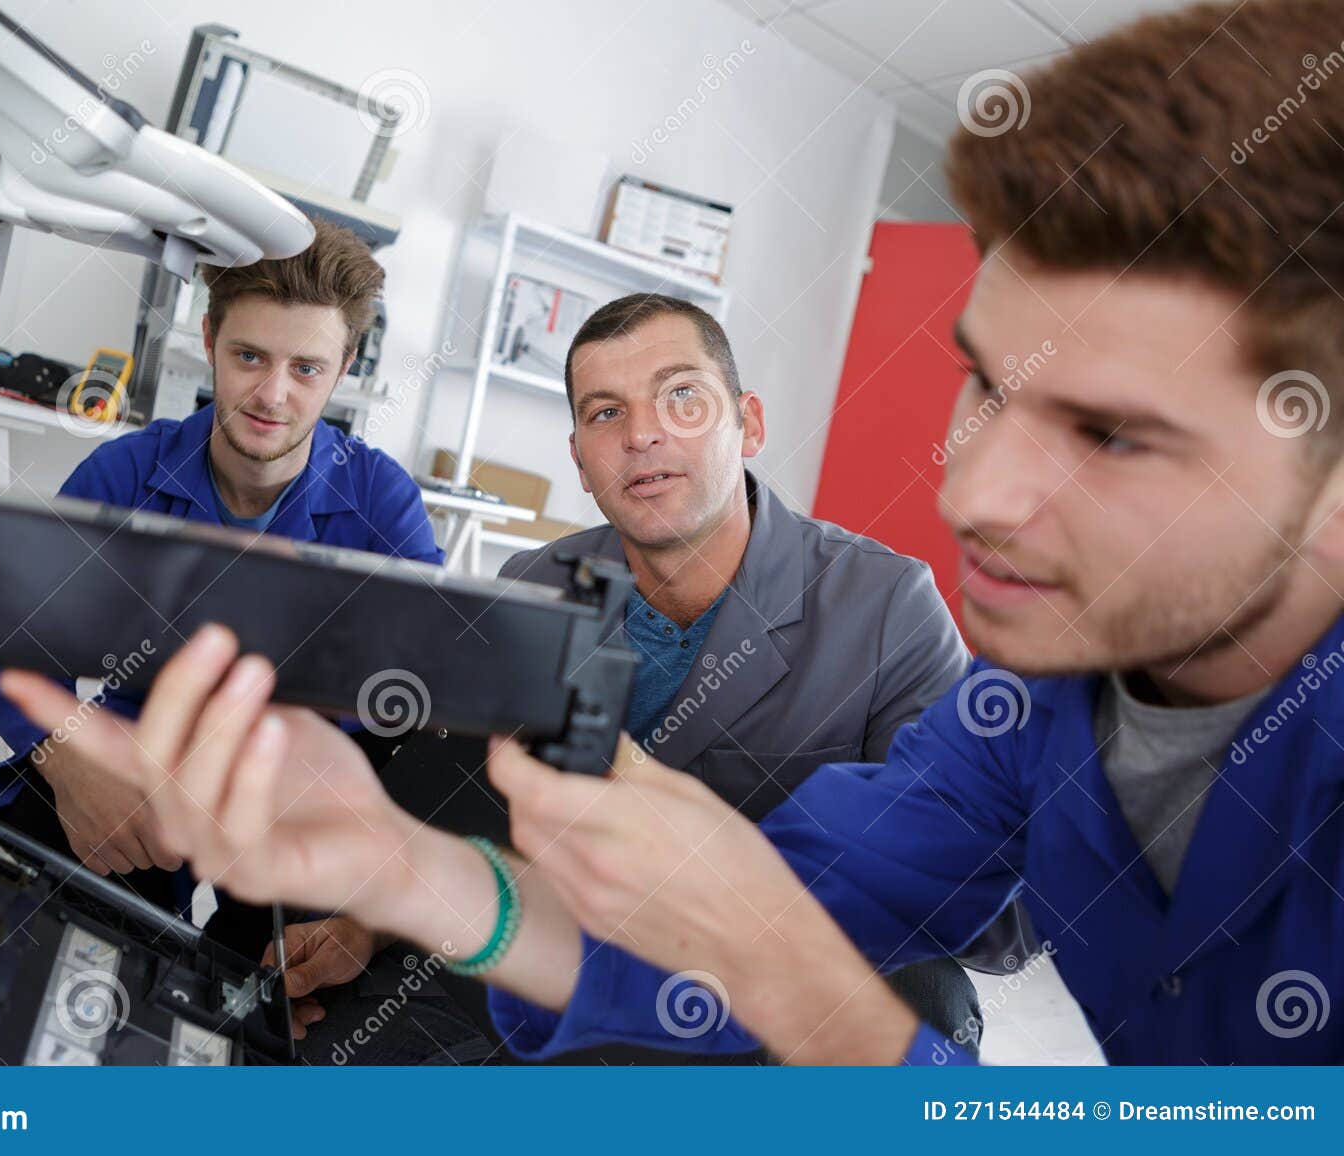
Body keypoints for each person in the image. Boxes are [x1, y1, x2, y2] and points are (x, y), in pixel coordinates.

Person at [0, 0, 1344, 1064]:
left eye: (1109, 431)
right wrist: (406, 871)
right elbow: (766, 907)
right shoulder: (1039, 718)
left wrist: (818, 999)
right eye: (985, 386)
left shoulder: (894, 614)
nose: (973, 492)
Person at [297, 292, 1016, 1055]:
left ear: (750, 425)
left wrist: (728, 871)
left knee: (919, 999)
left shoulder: (885, 607)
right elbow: (468, 813)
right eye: (606, 413)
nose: (643, 433)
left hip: (769, 998)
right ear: (579, 458)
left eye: (682, 398)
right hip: (565, 966)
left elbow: (991, 912)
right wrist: (368, 919)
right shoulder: (533, 585)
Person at [0, 217, 442, 959]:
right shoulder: (124, 474)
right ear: (209, 339)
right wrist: (65, 760)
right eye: (249, 356)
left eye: (307, 368)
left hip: (293, 795)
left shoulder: (380, 500)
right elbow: (16, 640)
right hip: (129, 770)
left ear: (346, 364)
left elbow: (424, 676)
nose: (272, 395)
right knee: (1, 918)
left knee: (290, 997)